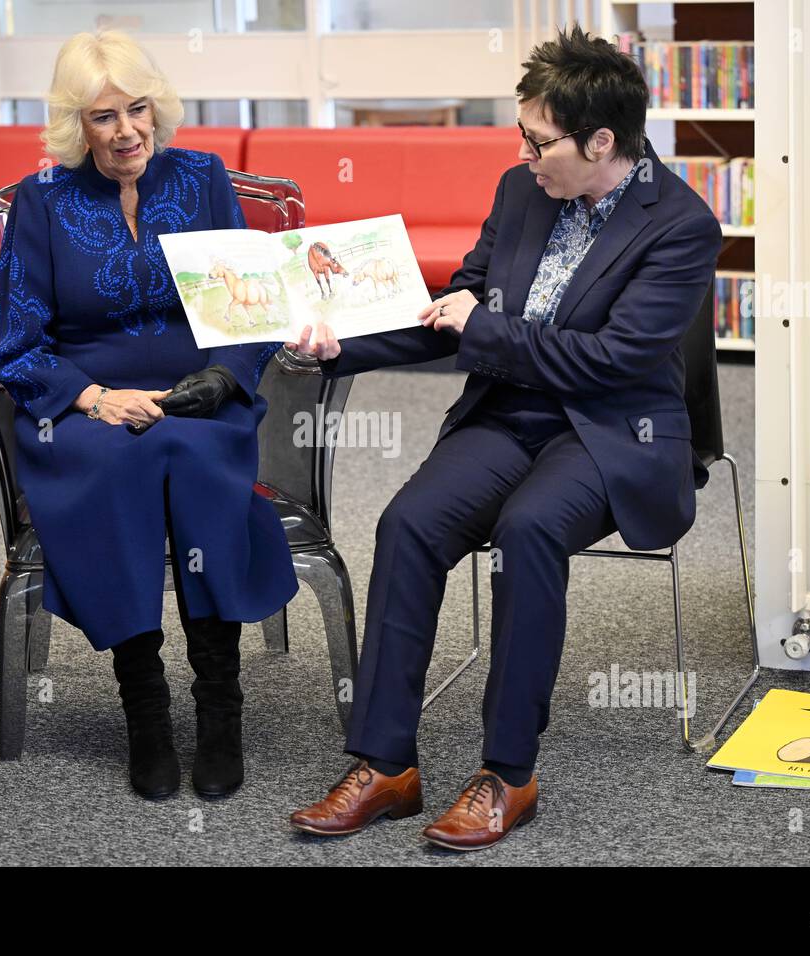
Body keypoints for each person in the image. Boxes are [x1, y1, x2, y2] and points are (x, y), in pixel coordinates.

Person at [287, 26, 721, 850]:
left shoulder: (682, 225)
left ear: (601, 142)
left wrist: (484, 327)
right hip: (511, 413)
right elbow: (461, 311)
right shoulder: (523, 190)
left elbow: (613, 360)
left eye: (538, 140)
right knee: (406, 525)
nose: (522, 154)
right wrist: (346, 345)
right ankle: (385, 765)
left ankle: (507, 775)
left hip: (608, 430)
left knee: (529, 530)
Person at [0, 29, 297, 801]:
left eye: (138, 108)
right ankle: (145, 710)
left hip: (199, 395)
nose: (127, 131)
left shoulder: (202, 178)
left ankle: (220, 705)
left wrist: (224, 376)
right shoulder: (42, 201)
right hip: (87, 407)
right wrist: (93, 398)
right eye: (103, 117)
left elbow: (252, 310)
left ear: (157, 108)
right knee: (123, 461)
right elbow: (13, 346)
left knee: (193, 459)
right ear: (74, 127)